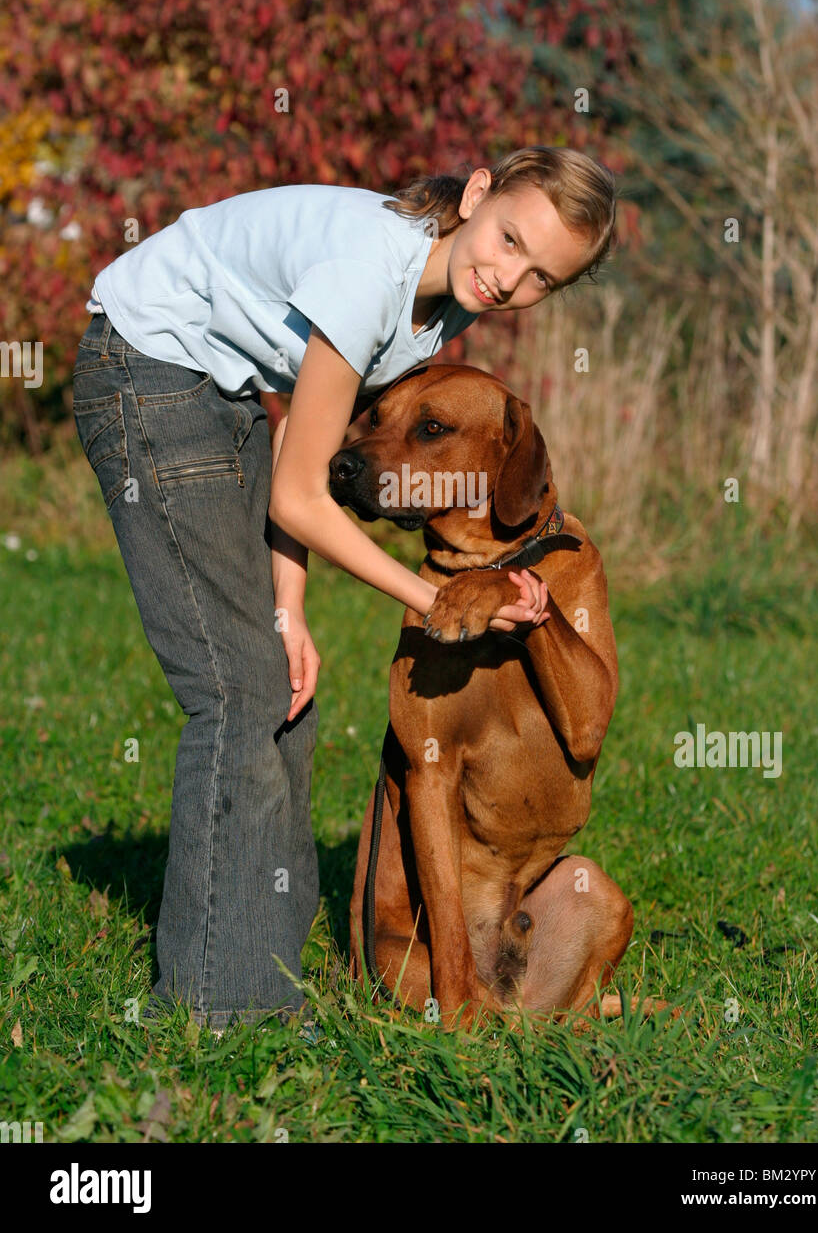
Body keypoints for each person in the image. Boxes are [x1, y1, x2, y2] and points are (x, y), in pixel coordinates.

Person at [71, 145, 616, 1033]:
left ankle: (268, 978)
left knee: (280, 687)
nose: (509, 276)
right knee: (235, 692)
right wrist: (442, 595)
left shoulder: (437, 320)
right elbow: (301, 494)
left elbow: (302, 451)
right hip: (148, 370)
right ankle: (218, 1010)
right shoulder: (374, 267)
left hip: (229, 394)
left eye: (540, 277)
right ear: (477, 194)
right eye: (510, 237)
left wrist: (291, 611)